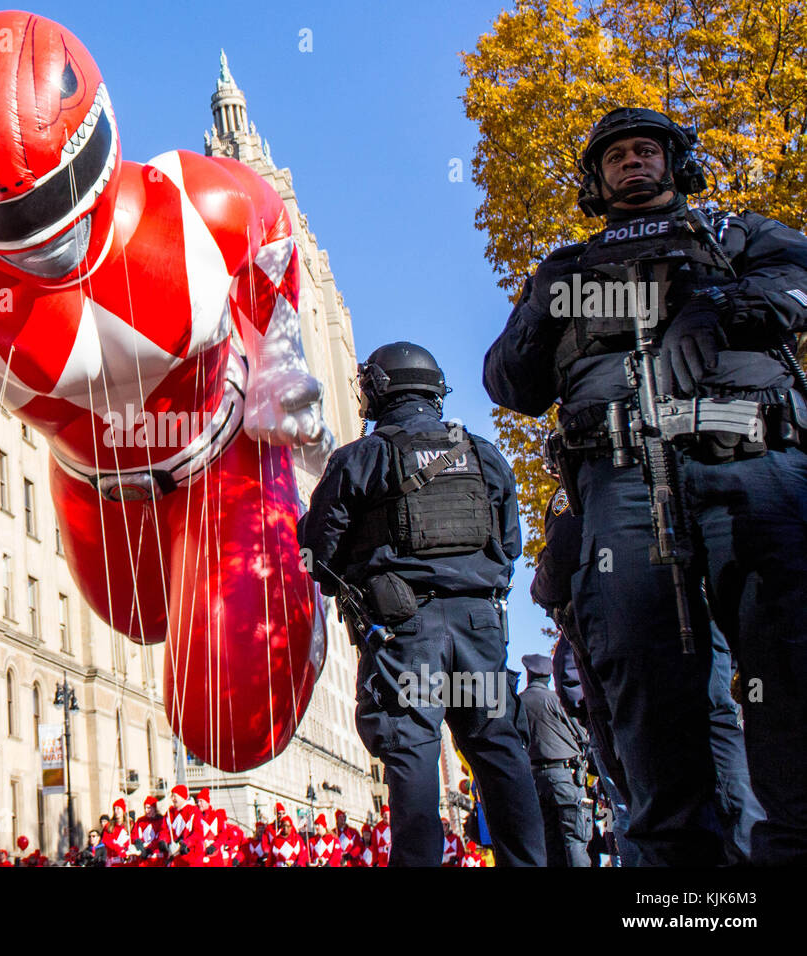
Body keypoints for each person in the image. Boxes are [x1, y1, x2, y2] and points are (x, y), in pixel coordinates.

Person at [0, 12, 334, 775]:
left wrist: (279, 361)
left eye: (60, 194)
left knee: (227, 718)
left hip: (223, 459)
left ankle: (294, 605)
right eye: (8, 218)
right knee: (141, 621)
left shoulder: (197, 199)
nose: (50, 239)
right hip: (96, 491)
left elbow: (271, 230)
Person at [485, 106, 807, 864]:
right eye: (616, 157)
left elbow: (800, 281)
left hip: (750, 467)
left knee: (789, 678)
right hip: (623, 487)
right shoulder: (566, 271)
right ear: (596, 180)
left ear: (675, 163)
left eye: (645, 151)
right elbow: (509, 384)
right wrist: (539, 305)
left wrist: (728, 304)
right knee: (648, 702)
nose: (632, 164)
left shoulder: (736, 235)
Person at [298, 342, 545, 867]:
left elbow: (317, 550)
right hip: (480, 627)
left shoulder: (361, 458)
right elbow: (511, 543)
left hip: (404, 630)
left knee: (412, 756)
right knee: (500, 750)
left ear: (378, 390)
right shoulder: (484, 454)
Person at [532, 474, 763, 866]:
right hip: (697, 619)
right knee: (720, 733)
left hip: (631, 627)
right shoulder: (676, 462)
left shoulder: (584, 486)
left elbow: (559, 565)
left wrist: (541, 585)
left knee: (646, 775)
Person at [518, 654, 592, 867]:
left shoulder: (519, 703)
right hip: (565, 775)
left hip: (535, 779)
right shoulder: (556, 699)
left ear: (529, 675)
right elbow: (583, 734)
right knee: (575, 838)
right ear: (549, 677)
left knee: (550, 842)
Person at [164, 784, 204, 866]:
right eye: (172, 796)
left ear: (182, 796)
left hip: (191, 856)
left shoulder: (193, 811)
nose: (172, 798)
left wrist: (187, 843)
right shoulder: (169, 813)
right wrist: (163, 841)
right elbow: (164, 830)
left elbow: (198, 832)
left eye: (175, 796)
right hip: (175, 857)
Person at [132, 795, 169, 866]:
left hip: (157, 856)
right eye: (145, 808)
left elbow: (161, 836)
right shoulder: (140, 821)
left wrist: (150, 848)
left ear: (154, 808)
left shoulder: (161, 820)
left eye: (149, 808)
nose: (146, 810)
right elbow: (134, 835)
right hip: (143, 855)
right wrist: (138, 843)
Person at [101, 799, 132, 866]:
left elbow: (133, 838)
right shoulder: (109, 826)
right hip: (114, 860)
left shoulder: (130, 825)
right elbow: (106, 841)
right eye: (114, 809)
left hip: (127, 860)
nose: (116, 811)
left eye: (118, 809)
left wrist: (126, 848)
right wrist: (119, 849)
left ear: (123, 810)